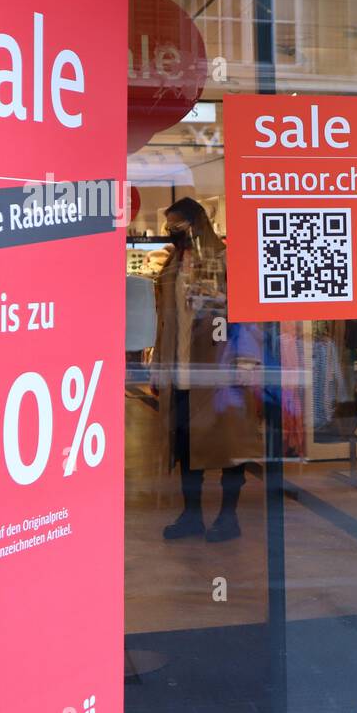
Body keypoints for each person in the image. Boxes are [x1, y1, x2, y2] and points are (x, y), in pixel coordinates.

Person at [152, 197, 263, 542]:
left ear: (197, 224)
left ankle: (228, 517)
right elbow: (165, 321)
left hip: (223, 368)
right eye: (169, 228)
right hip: (182, 368)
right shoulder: (171, 265)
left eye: (179, 227)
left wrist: (247, 357)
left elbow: (249, 312)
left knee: (229, 444)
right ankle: (192, 515)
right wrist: (158, 365)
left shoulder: (225, 260)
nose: (173, 234)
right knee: (185, 446)